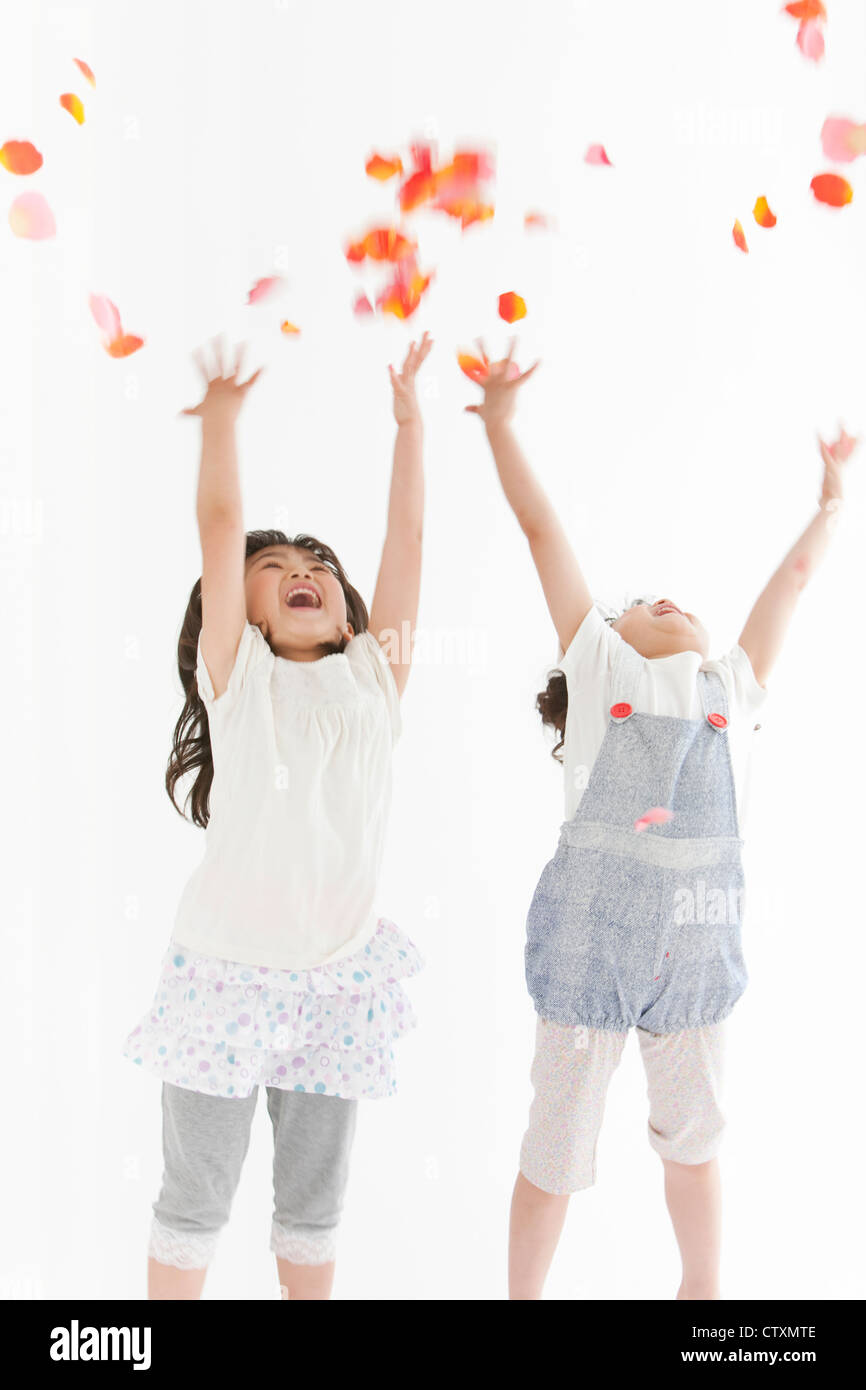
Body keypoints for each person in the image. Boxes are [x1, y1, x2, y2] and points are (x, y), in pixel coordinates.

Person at [465, 336, 857, 1300]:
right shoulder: (603, 672)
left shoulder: (731, 686)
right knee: (555, 1151)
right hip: (590, 958)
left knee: (696, 1144)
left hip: (695, 957)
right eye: (637, 602)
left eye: (674, 599)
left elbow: (793, 589)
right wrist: (505, 431)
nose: (661, 601)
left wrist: (833, 506)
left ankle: (703, 1294)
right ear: (605, 636)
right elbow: (544, 536)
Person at [123, 330, 433, 1299]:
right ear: (239, 615)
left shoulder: (374, 681)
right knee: (194, 1198)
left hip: (335, 988)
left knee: (311, 1202)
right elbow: (220, 525)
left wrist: (409, 425)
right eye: (277, 565)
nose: (302, 566)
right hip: (222, 978)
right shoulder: (240, 680)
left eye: (315, 562)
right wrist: (220, 417)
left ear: (347, 615)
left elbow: (407, 544)